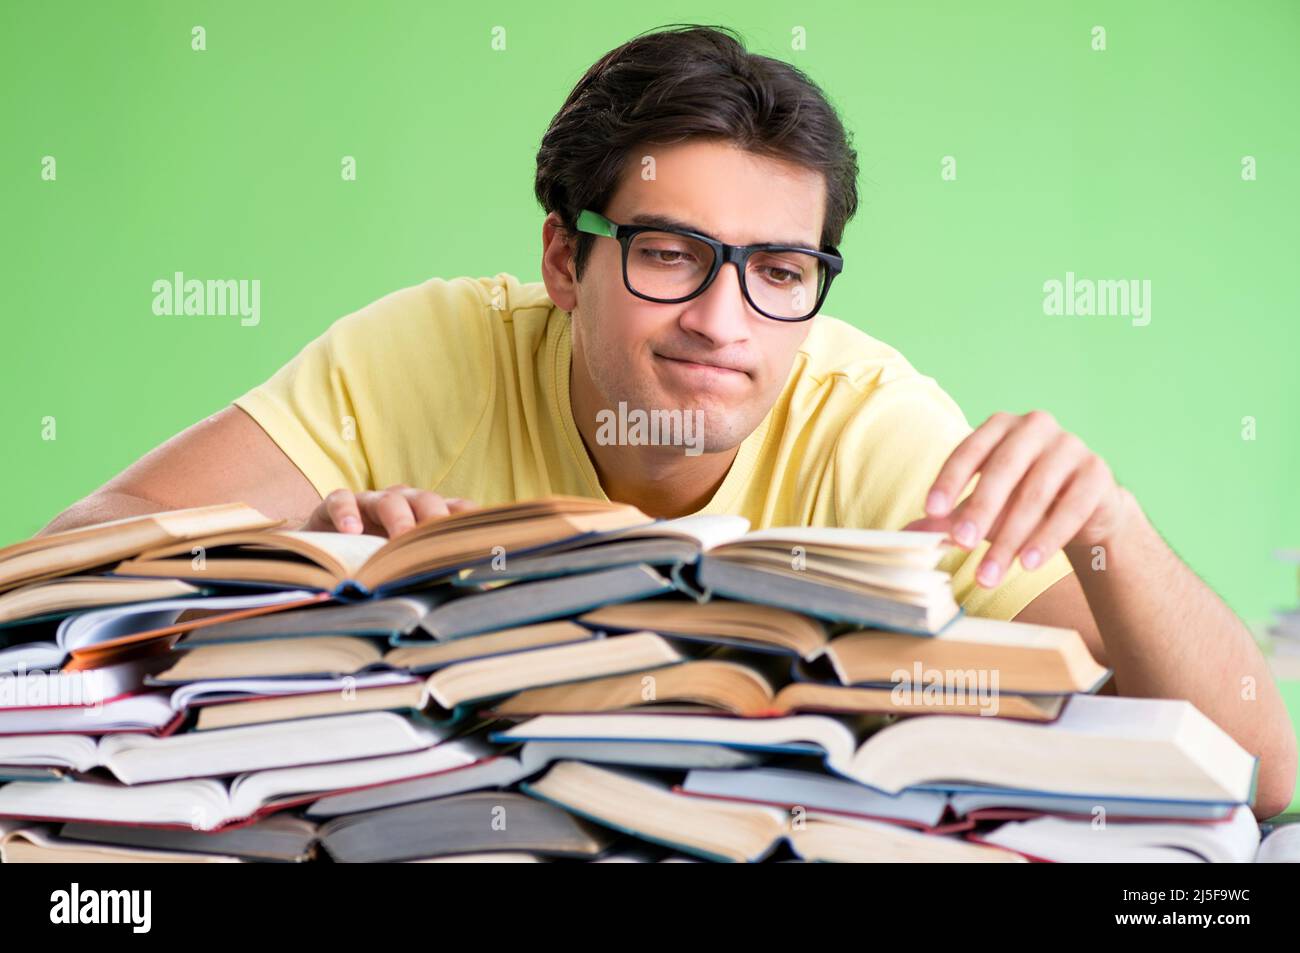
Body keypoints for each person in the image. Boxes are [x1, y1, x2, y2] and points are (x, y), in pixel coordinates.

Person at [39, 24, 1295, 817]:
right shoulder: (427, 349)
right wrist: (316, 563)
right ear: (563, 259)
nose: (724, 321)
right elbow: (75, 549)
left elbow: (1264, 771)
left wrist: (1111, 530)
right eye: (669, 253)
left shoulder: (870, 422)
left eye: (779, 270)